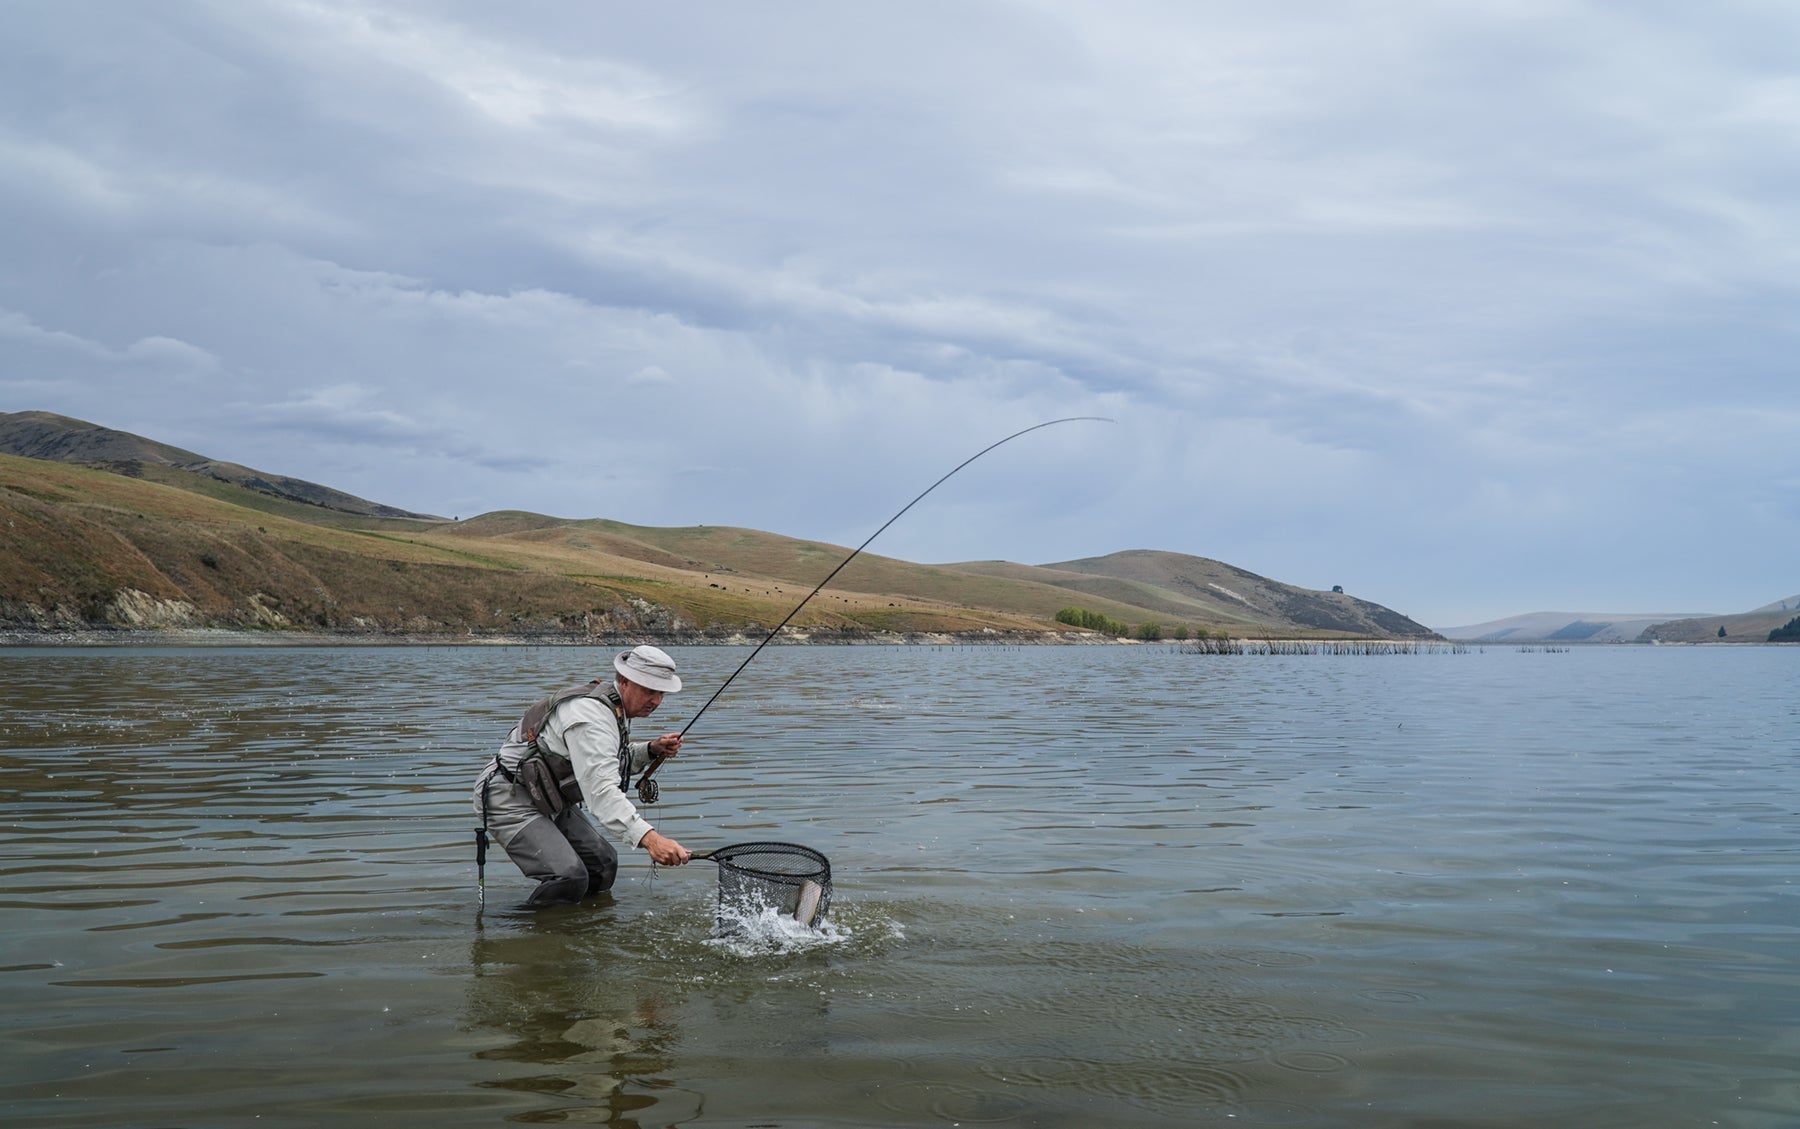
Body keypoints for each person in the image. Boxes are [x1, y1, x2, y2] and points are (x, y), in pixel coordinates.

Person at [475, 645, 693, 905]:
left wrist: (649, 750)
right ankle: (537, 934)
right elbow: (601, 792)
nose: (656, 701)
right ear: (624, 681)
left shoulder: (614, 706)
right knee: (568, 876)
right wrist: (651, 840)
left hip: (549, 795)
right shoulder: (591, 719)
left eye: (661, 692)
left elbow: (607, 760)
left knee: (603, 864)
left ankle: (580, 929)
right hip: (509, 795)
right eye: (649, 690)